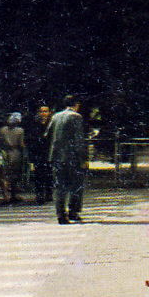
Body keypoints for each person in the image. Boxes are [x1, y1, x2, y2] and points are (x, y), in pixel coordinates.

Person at [46, 95, 87, 224]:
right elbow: (79, 140)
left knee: (59, 186)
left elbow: (47, 134)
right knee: (76, 185)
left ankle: (61, 215)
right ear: (76, 104)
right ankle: (73, 212)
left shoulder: (55, 116)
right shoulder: (76, 117)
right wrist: (83, 158)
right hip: (72, 157)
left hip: (56, 156)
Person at [26, 104, 53, 204]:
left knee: (49, 174)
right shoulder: (34, 124)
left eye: (45, 111)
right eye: (42, 111)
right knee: (38, 175)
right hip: (38, 153)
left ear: (49, 113)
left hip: (49, 153)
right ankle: (40, 195)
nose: (43, 113)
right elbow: (30, 139)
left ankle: (49, 193)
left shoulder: (51, 124)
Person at [0, 112, 26, 204]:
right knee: (15, 175)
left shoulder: (2, 130)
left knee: (5, 175)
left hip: (4, 153)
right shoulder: (20, 130)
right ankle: (13, 195)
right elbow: (21, 144)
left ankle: (5, 196)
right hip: (16, 153)